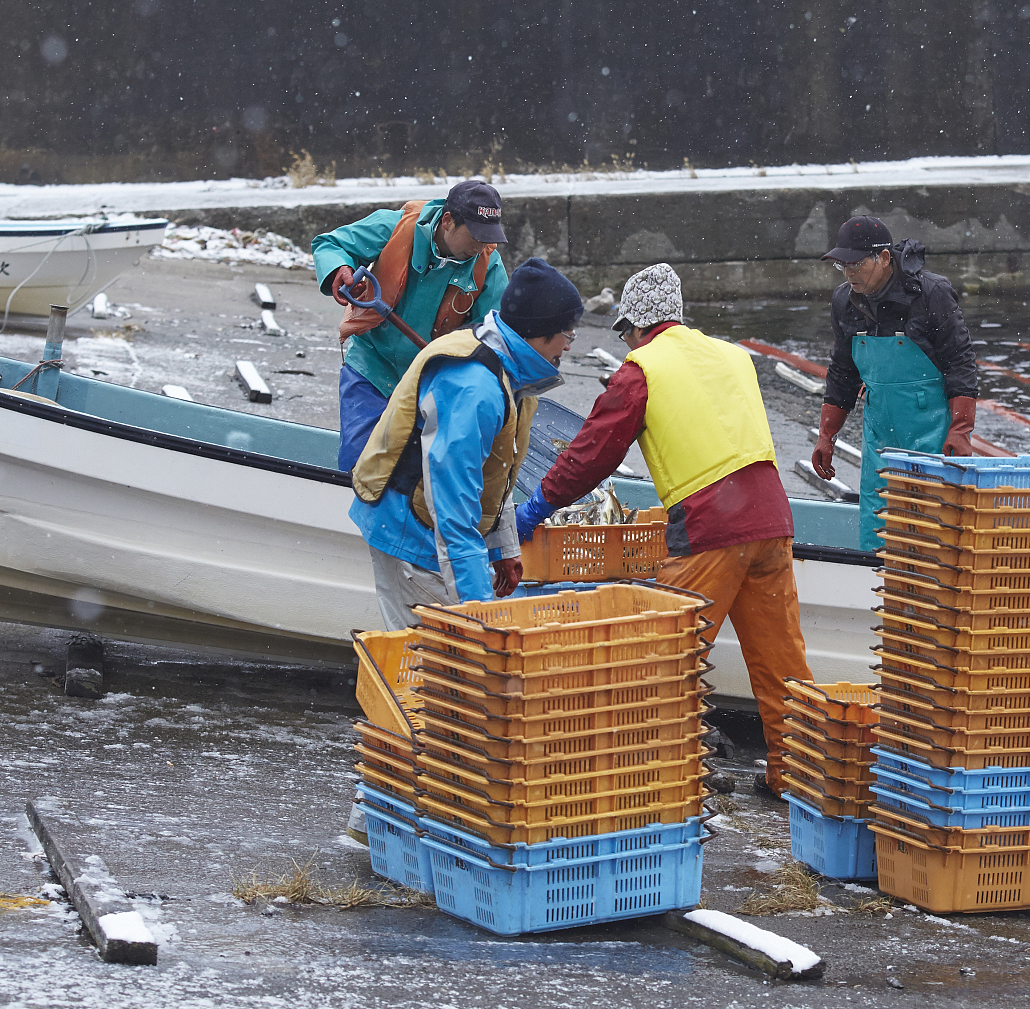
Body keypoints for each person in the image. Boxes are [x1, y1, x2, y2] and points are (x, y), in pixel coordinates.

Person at [514, 263, 807, 794]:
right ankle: (799, 775)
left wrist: (540, 502)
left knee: (666, 659)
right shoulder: (732, 356)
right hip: (773, 523)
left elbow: (592, 454)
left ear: (637, 328)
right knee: (782, 663)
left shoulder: (641, 369)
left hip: (710, 530)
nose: (625, 344)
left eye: (625, 334)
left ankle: (665, 775)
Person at [348, 257, 582, 630]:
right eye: (568, 335)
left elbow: (495, 470)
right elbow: (453, 506)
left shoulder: (517, 373)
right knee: (451, 662)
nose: (569, 347)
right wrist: (480, 612)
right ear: (540, 333)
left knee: (453, 663)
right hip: (408, 530)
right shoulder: (474, 388)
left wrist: (503, 547)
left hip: (430, 525)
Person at [313, 180, 511, 471]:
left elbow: (498, 336)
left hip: (429, 382)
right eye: (475, 235)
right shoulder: (396, 227)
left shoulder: (488, 265)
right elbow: (331, 244)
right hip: (372, 366)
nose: (482, 245)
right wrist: (338, 269)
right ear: (447, 221)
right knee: (359, 463)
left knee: (415, 473)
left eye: (489, 236)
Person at [808, 216, 979, 549]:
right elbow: (842, 372)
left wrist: (960, 430)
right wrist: (826, 435)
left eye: (856, 264)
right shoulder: (844, 301)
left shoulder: (931, 293)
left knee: (932, 526)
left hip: (932, 430)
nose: (849, 273)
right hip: (879, 430)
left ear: (884, 258)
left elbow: (961, 362)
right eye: (843, 266)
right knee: (879, 521)